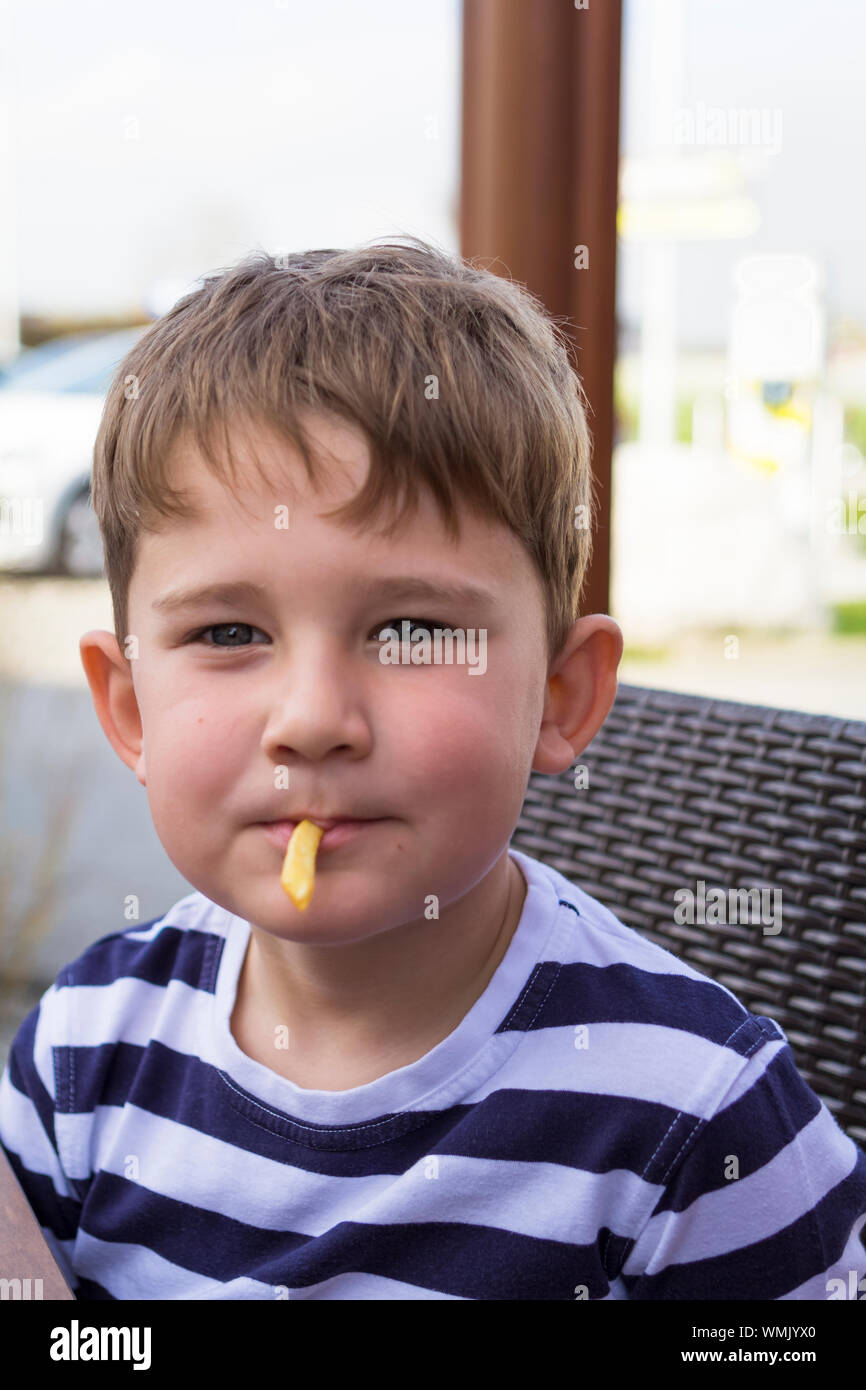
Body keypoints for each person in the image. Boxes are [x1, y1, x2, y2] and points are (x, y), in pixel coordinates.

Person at [1, 238, 864, 1300]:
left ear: (559, 696)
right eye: (228, 632)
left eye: (409, 629)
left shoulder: (694, 1120)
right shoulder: (86, 1045)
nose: (311, 720)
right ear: (129, 709)